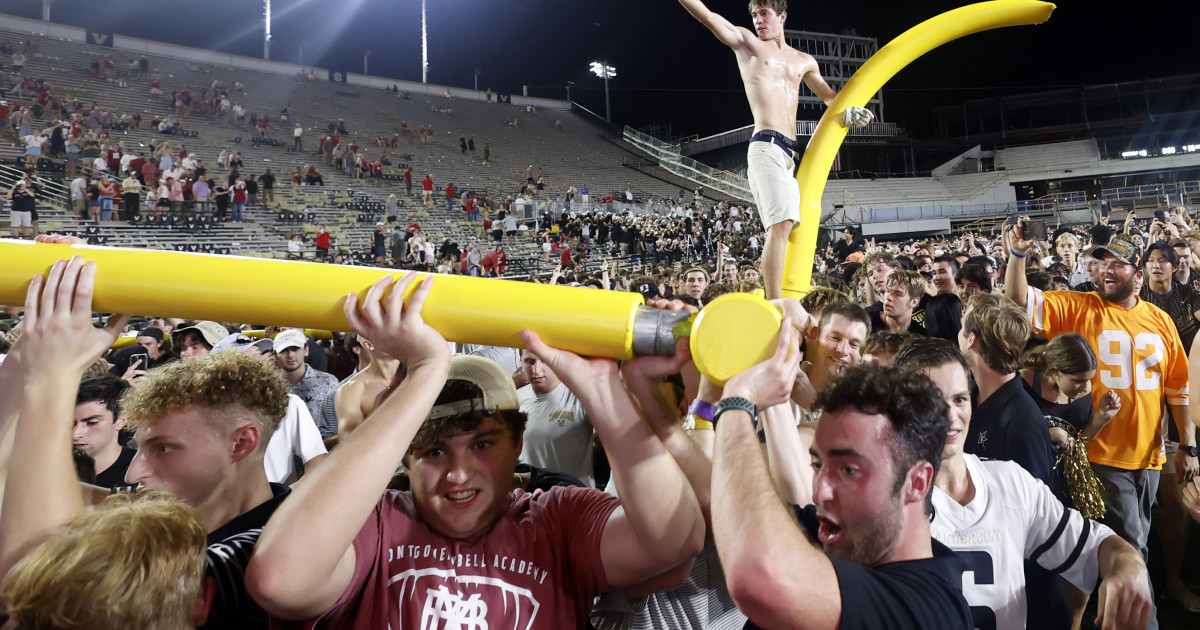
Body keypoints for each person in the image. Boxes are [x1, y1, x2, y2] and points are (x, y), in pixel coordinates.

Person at [245, 274, 705, 628]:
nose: (459, 474)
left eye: (482, 444)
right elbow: (279, 578)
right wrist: (426, 370)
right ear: (404, 456)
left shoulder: (555, 520)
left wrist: (602, 388)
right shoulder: (375, 524)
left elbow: (674, 537)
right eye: (434, 452)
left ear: (518, 444)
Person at [0, 254, 292, 629]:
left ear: (240, 445)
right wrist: (43, 322)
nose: (136, 470)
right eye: (142, 448)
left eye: (164, 449)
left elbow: (33, 588)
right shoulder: (181, 513)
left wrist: (51, 376)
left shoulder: (257, 556)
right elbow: (13, 478)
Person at [710, 323, 973, 628]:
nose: (820, 491)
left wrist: (737, 402)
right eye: (818, 466)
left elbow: (758, 577)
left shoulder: (928, 608)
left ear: (916, 483)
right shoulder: (843, 536)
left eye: (848, 470)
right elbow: (720, 492)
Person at [1005, 225, 1197, 630]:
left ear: (1138, 276)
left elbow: (1177, 389)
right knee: (1132, 547)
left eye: (1118, 263)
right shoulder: (1079, 307)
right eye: (1101, 261)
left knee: (1131, 543)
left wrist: (1188, 447)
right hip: (1101, 453)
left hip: (1149, 453)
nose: (1106, 269)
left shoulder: (1160, 321)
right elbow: (1020, 301)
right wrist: (1018, 257)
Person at [895, 338, 1153, 630]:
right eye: (929, 401)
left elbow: (1097, 545)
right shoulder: (883, 499)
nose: (950, 415)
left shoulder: (1010, 482)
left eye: (959, 399)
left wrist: (1127, 566)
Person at [677, 0, 872, 300]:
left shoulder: (804, 60)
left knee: (792, 228)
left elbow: (830, 97)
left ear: (782, 16)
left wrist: (850, 112)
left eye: (764, 13)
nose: (757, 20)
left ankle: (790, 295)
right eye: (754, 15)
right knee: (779, 225)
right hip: (764, 145)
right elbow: (707, 16)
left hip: (789, 155)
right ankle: (775, 301)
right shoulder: (748, 45)